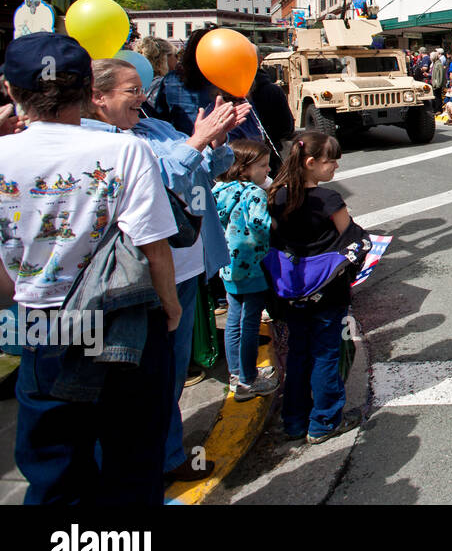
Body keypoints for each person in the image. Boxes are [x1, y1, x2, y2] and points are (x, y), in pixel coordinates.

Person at [0, 33, 180, 504]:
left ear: (11, 90)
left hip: (42, 322)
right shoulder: (126, 151)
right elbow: (154, 247)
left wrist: (25, 292)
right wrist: (171, 308)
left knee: (55, 464)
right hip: (125, 321)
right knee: (134, 459)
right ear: (86, 91)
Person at [82, 57, 245, 481]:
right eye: (132, 90)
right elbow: (154, 181)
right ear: (97, 97)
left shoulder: (152, 128)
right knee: (125, 383)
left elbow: (207, 173)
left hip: (185, 267)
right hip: (136, 279)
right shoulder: (93, 141)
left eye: (141, 89)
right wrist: (196, 142)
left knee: (170, 375)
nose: (143, 97)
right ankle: (116, 469)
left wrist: (215, 140)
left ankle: (168, 456)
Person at [268, 131, 361, 443]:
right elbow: (351, 237)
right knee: (325, 354)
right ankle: (324, 422)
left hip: (291, 290)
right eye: (330, 160)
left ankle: (293, 420)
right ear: (310, 162)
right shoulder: (330, 200)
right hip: (327, 291)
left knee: (298, 353)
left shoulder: (277, 197)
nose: (335, 166)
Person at [214, 139, 278, 400]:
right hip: (251, 268)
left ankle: (236, 373)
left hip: (228, 267)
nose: (268, 170)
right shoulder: (254, 194)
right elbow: (262, 225)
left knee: (234, 321)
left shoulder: (221, 190)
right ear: (243, 168)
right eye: (262, 166)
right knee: (249, 323)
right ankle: (248, 380)